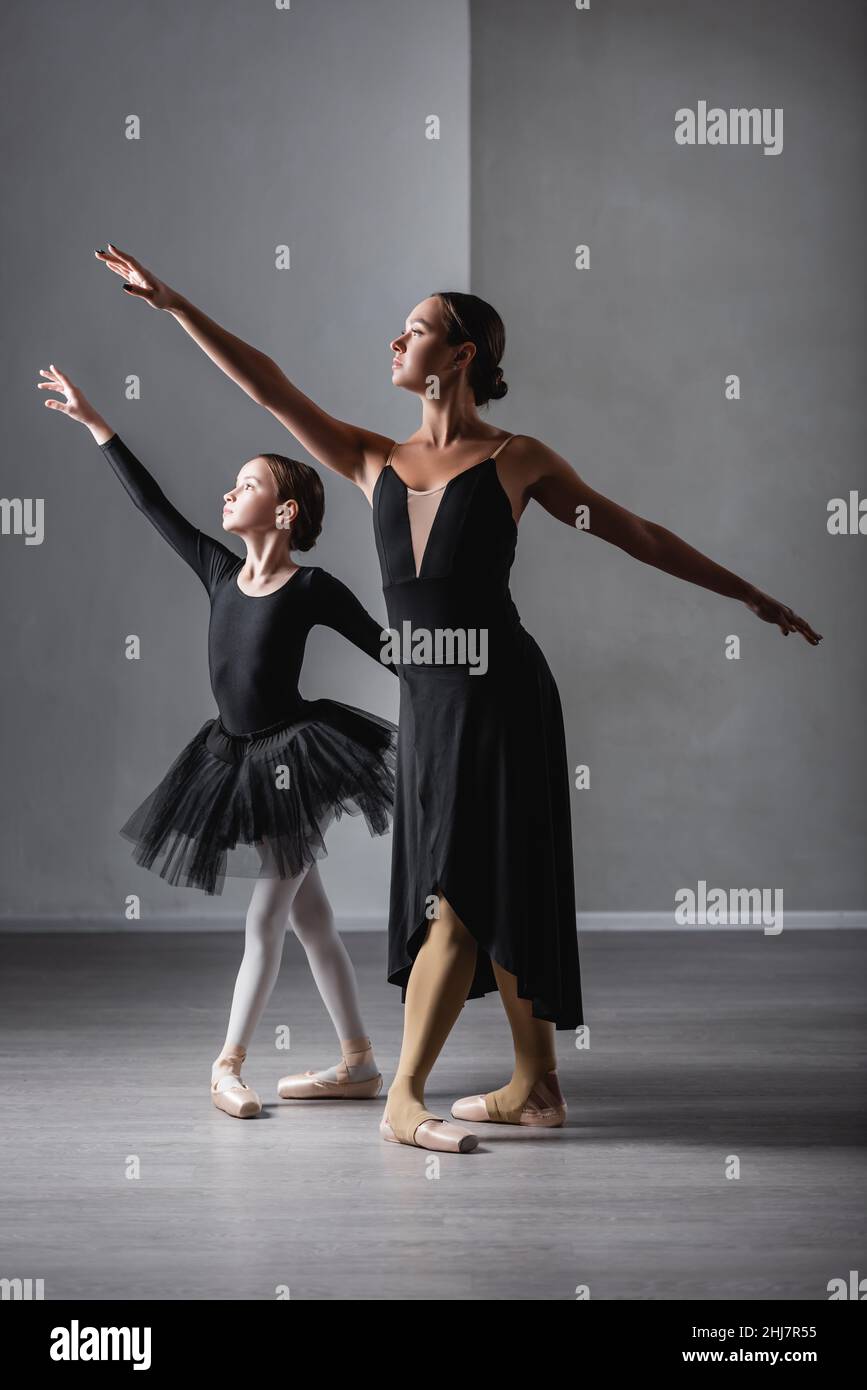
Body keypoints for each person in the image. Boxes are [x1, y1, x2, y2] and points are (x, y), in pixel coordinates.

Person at [92, 246, 823, 1154]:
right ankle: (536, 1086)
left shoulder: (519, 461)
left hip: (506, 694)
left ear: (463, 352)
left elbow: (633, 533)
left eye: (419, 326)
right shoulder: (370, 458)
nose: (396, 337)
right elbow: (270, 392)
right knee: (480, 886)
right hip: (431, 706)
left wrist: (745, 592)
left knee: (469, 893)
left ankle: (404, 1095)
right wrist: (173, 306)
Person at [36, 363, 401, 1121]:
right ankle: (360, 1062)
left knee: (266, 917)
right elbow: (151, 504)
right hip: (231, 757)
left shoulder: (311, 589)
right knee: (312, 919)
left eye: (247, 483)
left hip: (294, 760)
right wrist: (96, 420)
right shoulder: (217, 571)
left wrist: (456, 663)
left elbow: (387, 650)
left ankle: (226, 1064)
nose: (229, 491)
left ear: (286, 510)